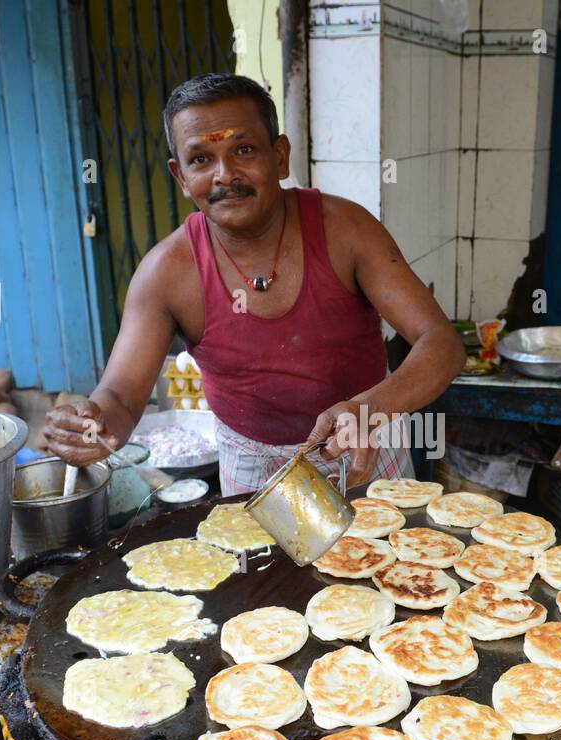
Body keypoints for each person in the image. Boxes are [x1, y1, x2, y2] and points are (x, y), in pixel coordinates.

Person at [44, 74, 464, 491]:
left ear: (280, 157)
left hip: (366, 447)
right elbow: (120, 396)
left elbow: (441, 342)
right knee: (256, 563)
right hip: (250, 468)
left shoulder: (345, 230)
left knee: (391, 558)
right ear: (180, 176)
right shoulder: (166, 273)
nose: (224, 175)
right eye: (201, 159)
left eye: (243, 150)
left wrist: (372, 408)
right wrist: (92, 422)